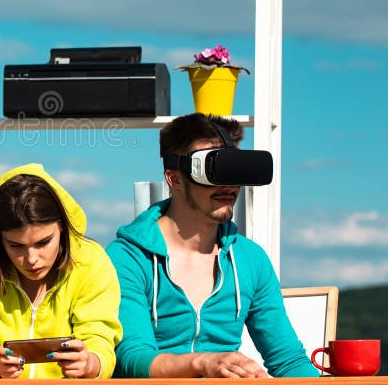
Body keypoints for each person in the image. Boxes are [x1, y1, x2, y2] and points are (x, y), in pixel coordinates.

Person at [106, 113, 318, 378]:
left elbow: (288, 361)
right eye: (212, 171)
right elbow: (132, 358)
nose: (229, 186)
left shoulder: (250, 259)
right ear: (176, 179)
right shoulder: (129, 258)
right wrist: (202, 363)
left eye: (234, 170)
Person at [0, 163, 122, 379]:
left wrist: (91, 363)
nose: (31, 259)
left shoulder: (91, 260)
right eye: (16, 245)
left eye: (43, 242)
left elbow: (100, 336)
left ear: (63, 227)